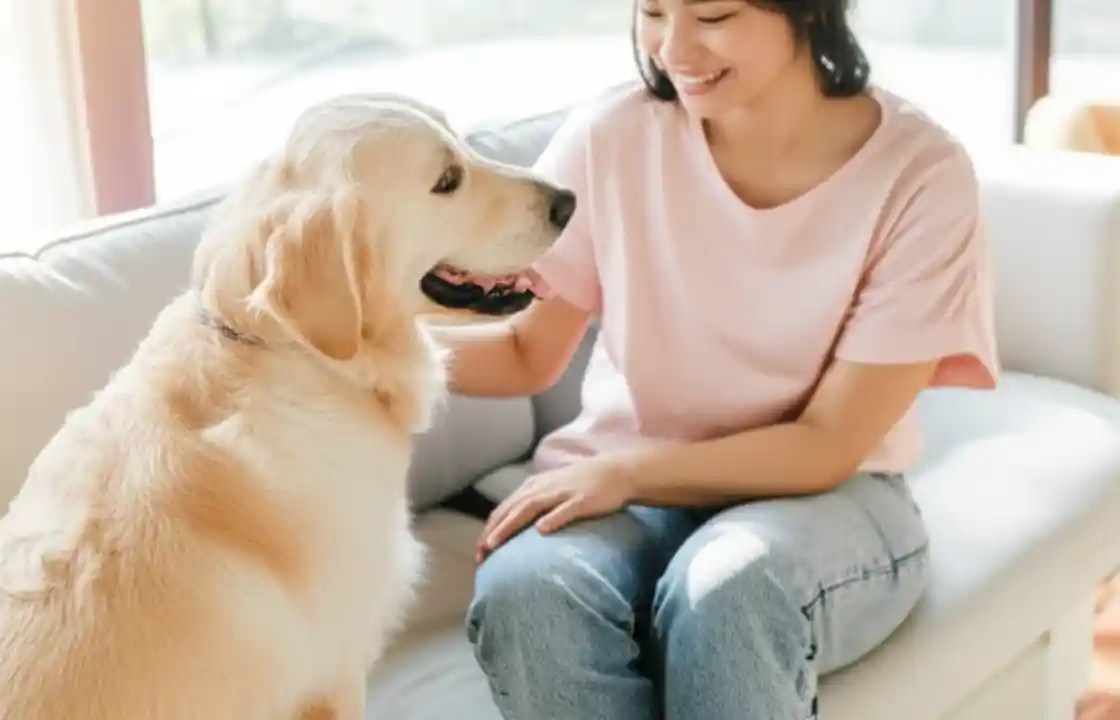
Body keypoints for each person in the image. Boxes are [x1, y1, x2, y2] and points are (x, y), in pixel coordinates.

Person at [428, 0, 999, 718]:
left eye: (716, 15)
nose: (676, 49)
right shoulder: (612, 137)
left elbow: (827, 445)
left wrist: (626, 472)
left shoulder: (920, 174)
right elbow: (524, 353)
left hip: (828, 496)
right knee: (530, 596)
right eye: (654, 12)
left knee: (729, 592)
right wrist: (347, 346)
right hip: (622, 486)